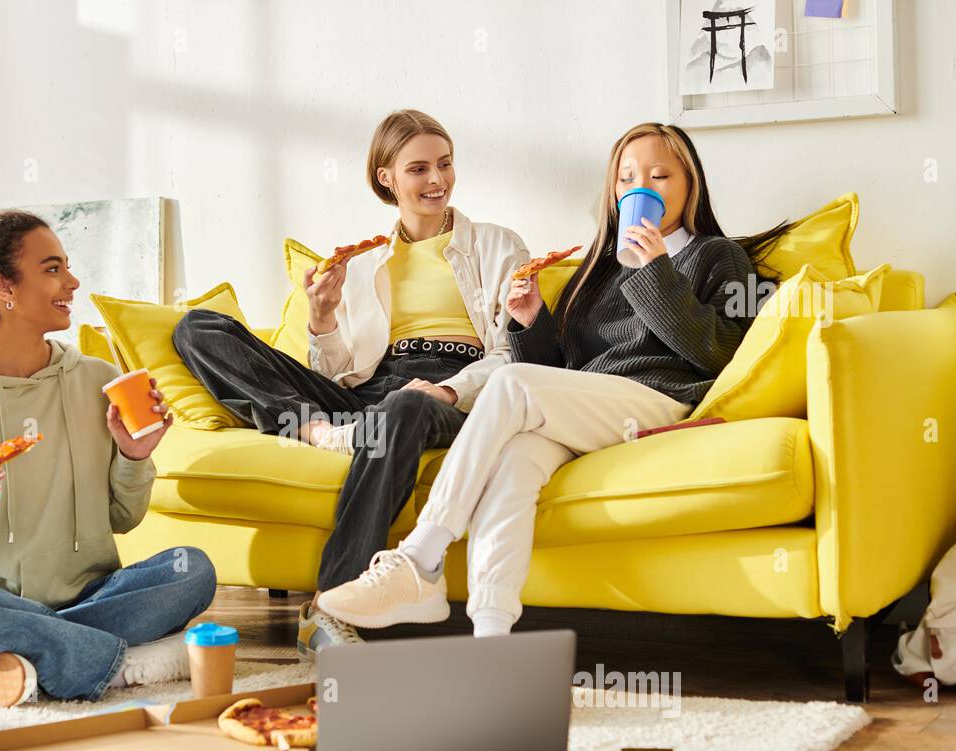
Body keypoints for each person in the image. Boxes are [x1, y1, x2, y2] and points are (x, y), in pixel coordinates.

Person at [317, 122, 790, 637]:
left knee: (512, 385)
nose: (641, 189)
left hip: (660, 400)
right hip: (591, 408)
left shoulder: (717, 256)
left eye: (659, 176)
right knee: (513, 464)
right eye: (627, 178)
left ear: (689, 185)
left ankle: (420, 558)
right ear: (614, 192)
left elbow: (716, 352)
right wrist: (530, 319)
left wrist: (656, 269)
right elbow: (562, 367)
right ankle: (492, 637)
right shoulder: (600, 267)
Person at [171, 109, 528, 658]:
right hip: (367, 398)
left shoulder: (499, 246)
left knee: (402, 409)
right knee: (199, 327)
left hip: (454, 394)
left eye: (445, 165)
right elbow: (337, 373)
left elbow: (510, 353)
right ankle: (314, 427)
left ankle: (330, 604)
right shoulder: (362, 264)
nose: (437, 180)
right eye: (419, 169)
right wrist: (322, 318)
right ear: (387, 178)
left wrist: (448, 391)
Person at [0, 210, 216, 707]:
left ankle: (18, 659)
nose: (72, 281)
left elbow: (122, 519)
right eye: (52, 269)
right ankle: (108, 662)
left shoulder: (96, 381)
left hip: (90, 595)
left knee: (191, 569)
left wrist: (133, 457)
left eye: (66, 266)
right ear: (4, 287)